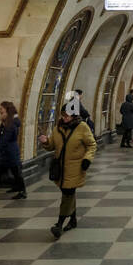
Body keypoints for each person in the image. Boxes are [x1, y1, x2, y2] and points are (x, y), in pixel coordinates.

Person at [38, 102, 97, 238]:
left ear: (74, 115)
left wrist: (87, 159)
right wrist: (46, 141)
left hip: (75, 168)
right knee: (69, 194)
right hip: (60, 168)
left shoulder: (82, 127)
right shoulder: (58, 128)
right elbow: (52, 145)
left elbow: (92, 145)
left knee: (67, 194)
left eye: (67, 116)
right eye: (63, 115)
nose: (64, 118)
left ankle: (59, 224)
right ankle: (73, 220)